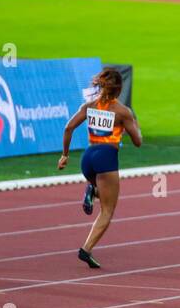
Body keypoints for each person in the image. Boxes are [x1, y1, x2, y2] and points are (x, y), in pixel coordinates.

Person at [58, 67, 143, 269]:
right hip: (106, 158)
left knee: (101, 193)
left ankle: (92, 189)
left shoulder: (89, 106)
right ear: (119, 89)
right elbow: (138, 141)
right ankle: (86, 249)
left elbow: (68, 127)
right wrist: (135, 125)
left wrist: (64, 155)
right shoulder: (123, 112)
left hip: (88, 159)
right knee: (107, 211)